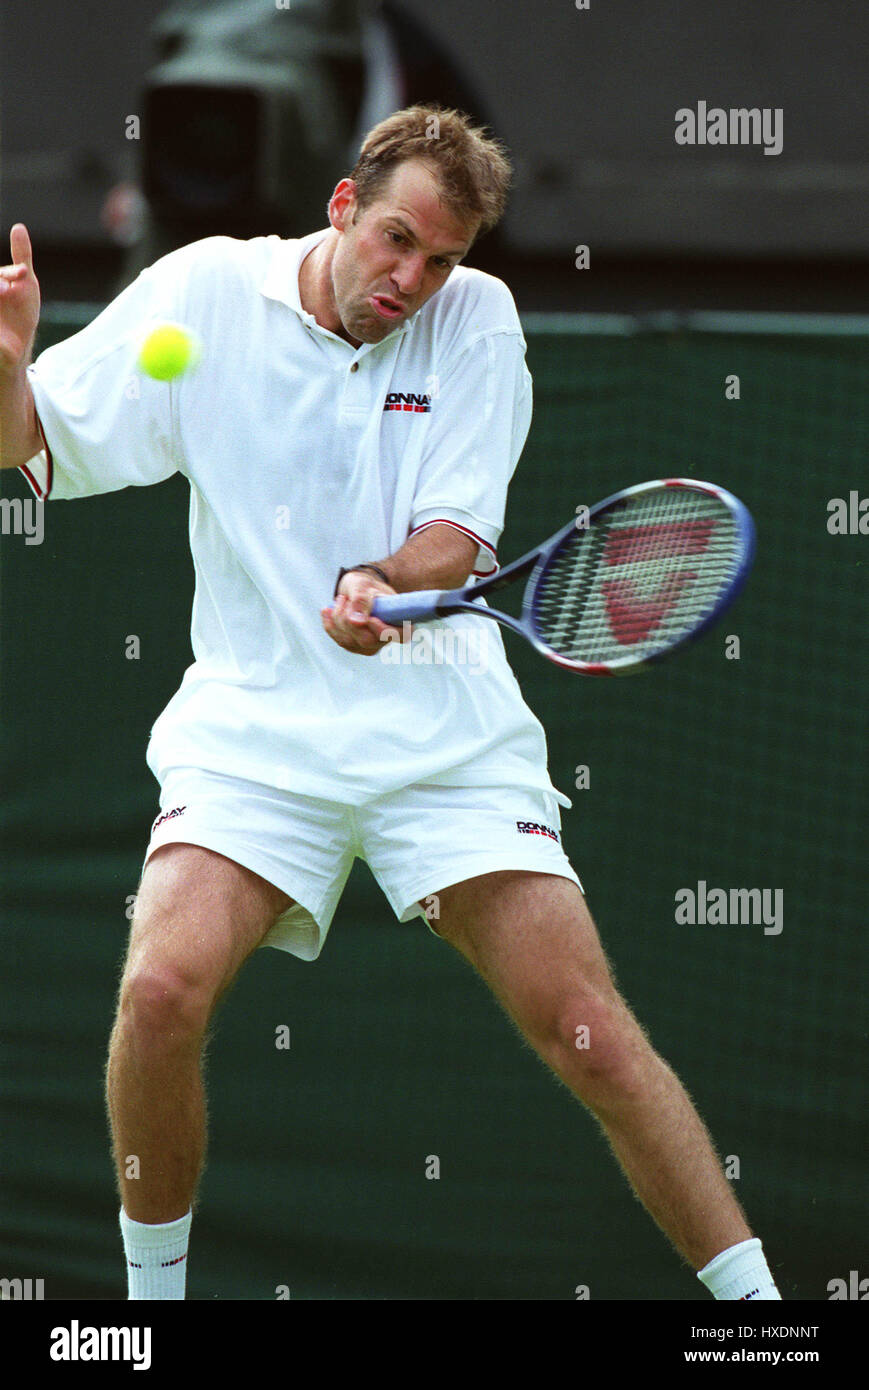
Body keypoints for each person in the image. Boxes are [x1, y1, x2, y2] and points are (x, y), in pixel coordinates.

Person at [0, 105, 781, 1303]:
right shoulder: (202, 296)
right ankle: (153, 1316)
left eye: (442, 258)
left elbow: (456, 539)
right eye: (398, 241)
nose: (412, 278)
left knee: (586, 1029)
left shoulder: (477, 320)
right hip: (256, 729)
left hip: (443, 734)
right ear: (343, 208)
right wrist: (7, 378)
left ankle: (762, 1321)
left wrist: (383, 580)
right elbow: (34, 443)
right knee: (160, 989)